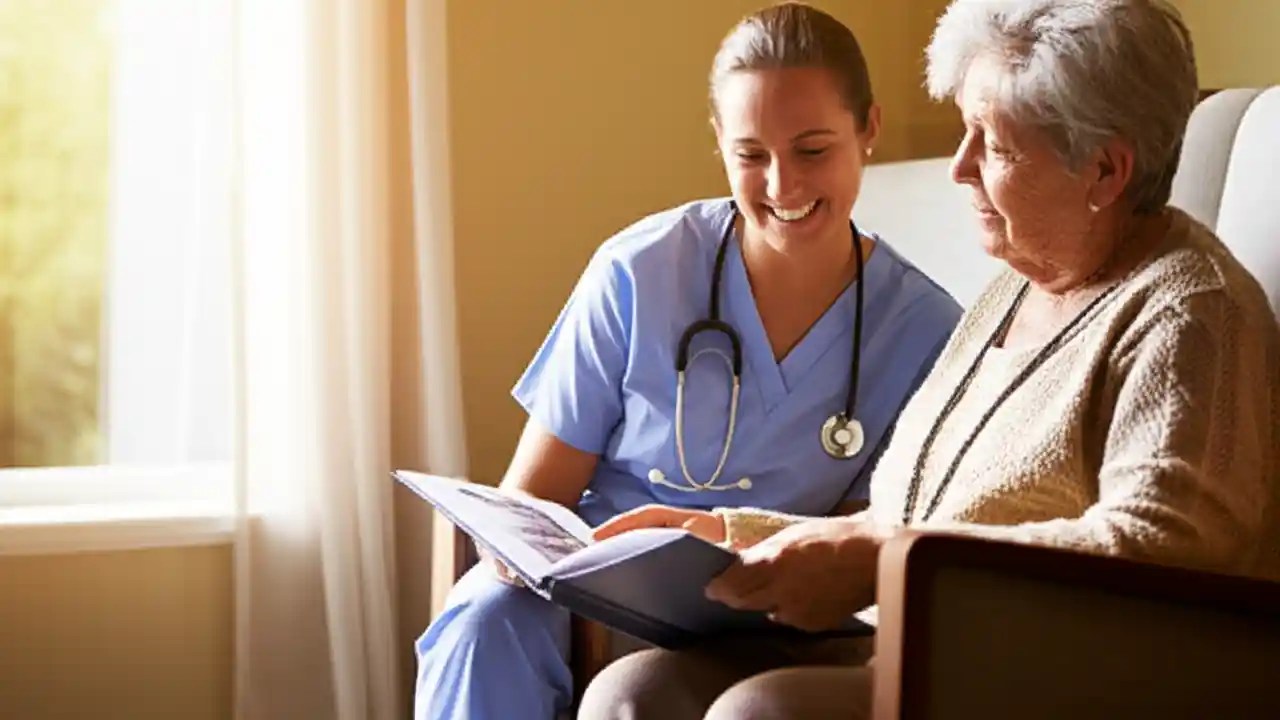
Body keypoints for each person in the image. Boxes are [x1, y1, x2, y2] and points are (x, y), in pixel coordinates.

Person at [578, 1, 1280, 718]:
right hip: (916, 641)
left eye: (995, 145)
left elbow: (1162, 553)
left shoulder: (1192, 314)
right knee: (633, 693)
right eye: (965, 131)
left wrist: (884, 563)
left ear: (1104, 170)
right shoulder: (1015, 287)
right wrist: (730, 537)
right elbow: (906, 518)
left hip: (1041, 675)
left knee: (761, 713)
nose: (960, 167)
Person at [412, 4, 963, 719]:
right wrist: (519, 555)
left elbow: (870, 535)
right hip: (597, 589)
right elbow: (536, 493)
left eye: (813, 150)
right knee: (486, 620)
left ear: (869, 131)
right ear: (720, 145)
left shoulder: (925, 329)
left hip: (765, 614)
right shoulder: (639, 272)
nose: (782, 185)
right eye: (751, 155)